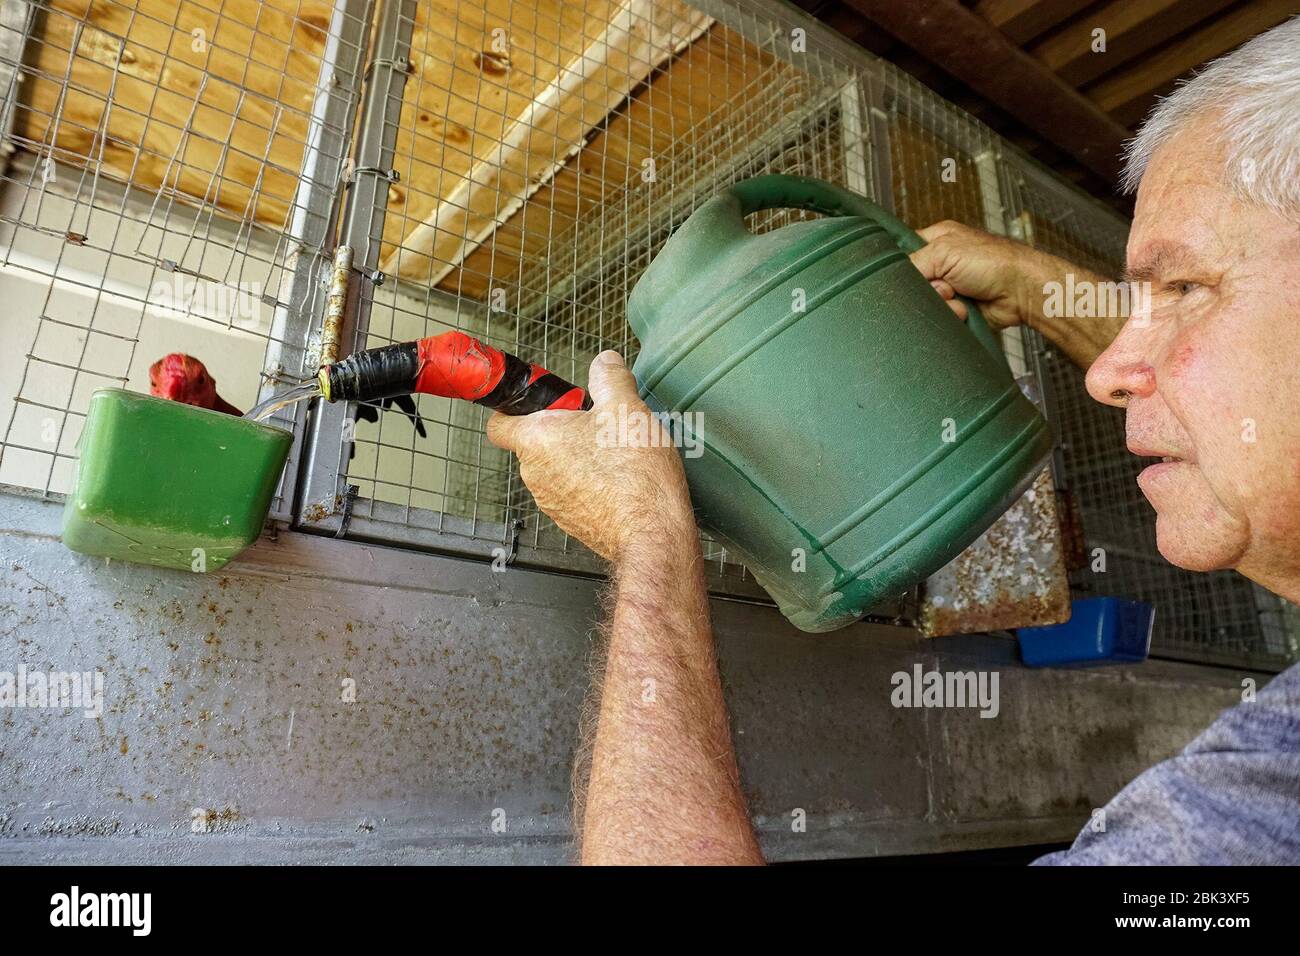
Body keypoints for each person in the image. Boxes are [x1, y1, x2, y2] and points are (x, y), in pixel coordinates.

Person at [487, 17, 1300, 865]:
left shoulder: (1253, 810)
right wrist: (1028, 280)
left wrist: (648, 539)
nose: (1108, 376)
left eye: (1184, 285)